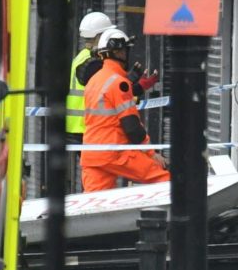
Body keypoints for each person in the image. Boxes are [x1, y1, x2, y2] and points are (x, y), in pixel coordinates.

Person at [81, 28, 170, 192]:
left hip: (91, 154)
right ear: (119, 52)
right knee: (164, 178)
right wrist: (152, 154)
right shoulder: (118, 83)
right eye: (125, 50)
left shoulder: (94, 81)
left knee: (94, 205)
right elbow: (132, 126)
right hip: (114, 153)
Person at [67, 12, 117, 144]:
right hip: (86, 126)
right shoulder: (92, 63)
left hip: (78, 126)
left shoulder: (82, 56)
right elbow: (109, 89)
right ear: (99, 36)